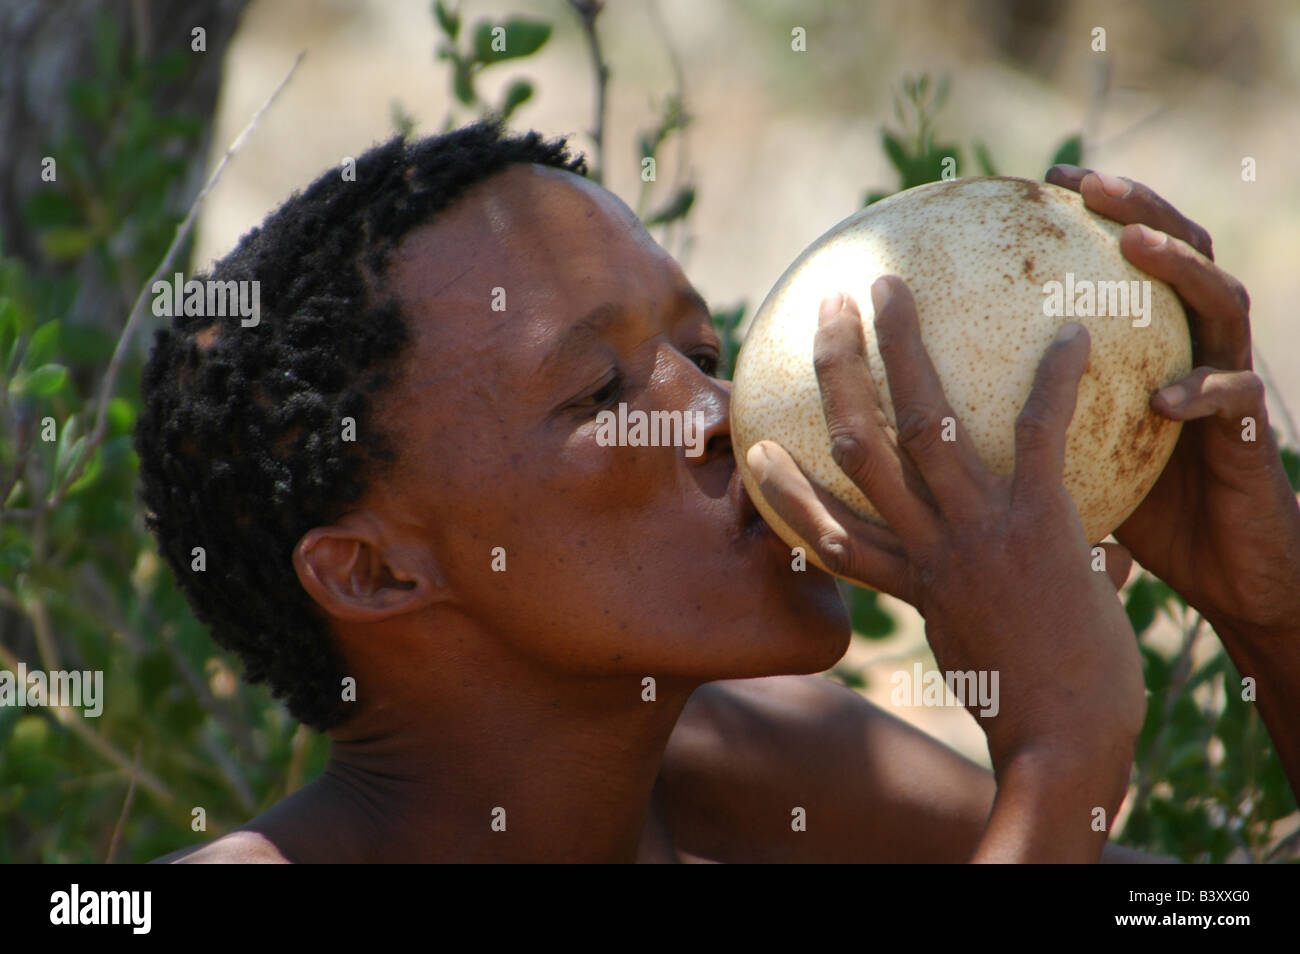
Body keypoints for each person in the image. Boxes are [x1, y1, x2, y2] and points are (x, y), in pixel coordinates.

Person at [138, 121, 1300, 862]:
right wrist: (1056, 764)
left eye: (701, 352)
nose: (720, 413)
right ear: (375, 568)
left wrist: (1270, 615)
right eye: (599, 392)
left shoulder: (745, 771)